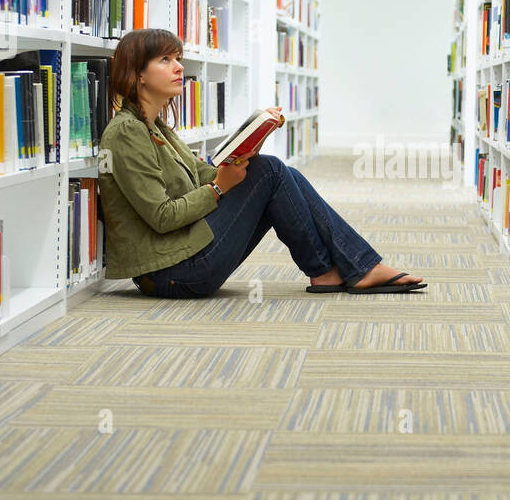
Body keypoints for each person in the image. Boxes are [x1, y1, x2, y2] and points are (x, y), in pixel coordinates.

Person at [97, 28, 427, 298]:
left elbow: (203, 174)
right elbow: (162, 216)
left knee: (276, 171)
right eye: (165, 60)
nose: (179, 67)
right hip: (173, 273)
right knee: (270, 171)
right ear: (137, 74)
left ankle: (330, 272)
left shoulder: (155, 127)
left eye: (179, 59)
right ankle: (348, 266)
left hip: (184, 257)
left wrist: (245, 151)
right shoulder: (127, 133)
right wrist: (217, 188)